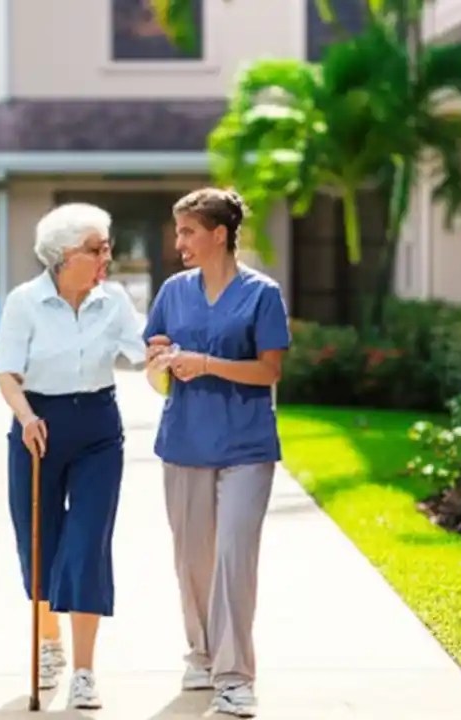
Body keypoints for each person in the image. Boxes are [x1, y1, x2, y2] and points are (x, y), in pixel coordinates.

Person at [143, 188, 291, 718]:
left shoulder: (262, 294)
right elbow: (154, 357)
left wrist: (206, 363)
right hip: (184, 440)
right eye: (178, 231)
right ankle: (202, 655)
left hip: (246, 445)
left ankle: (235, 677)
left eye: (187, 231)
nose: (179, 241)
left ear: (219, 234)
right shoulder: (172, 292)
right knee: (193, 561)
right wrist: (162, 360)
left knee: (233, 556)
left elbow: (269, 370)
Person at [0, 202, 146, 710]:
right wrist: (26, 417)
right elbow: (7, 374)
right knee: (39, 544)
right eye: (95, 248)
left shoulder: (114, 299)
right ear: (62, 256)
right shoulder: (25, 302)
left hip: (98, 428)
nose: (107, 256)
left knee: (86, 545)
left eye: (107, 246)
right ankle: (50, 643)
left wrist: (171, 351)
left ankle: (83, 670)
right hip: (37, 427)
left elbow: (145, 349)